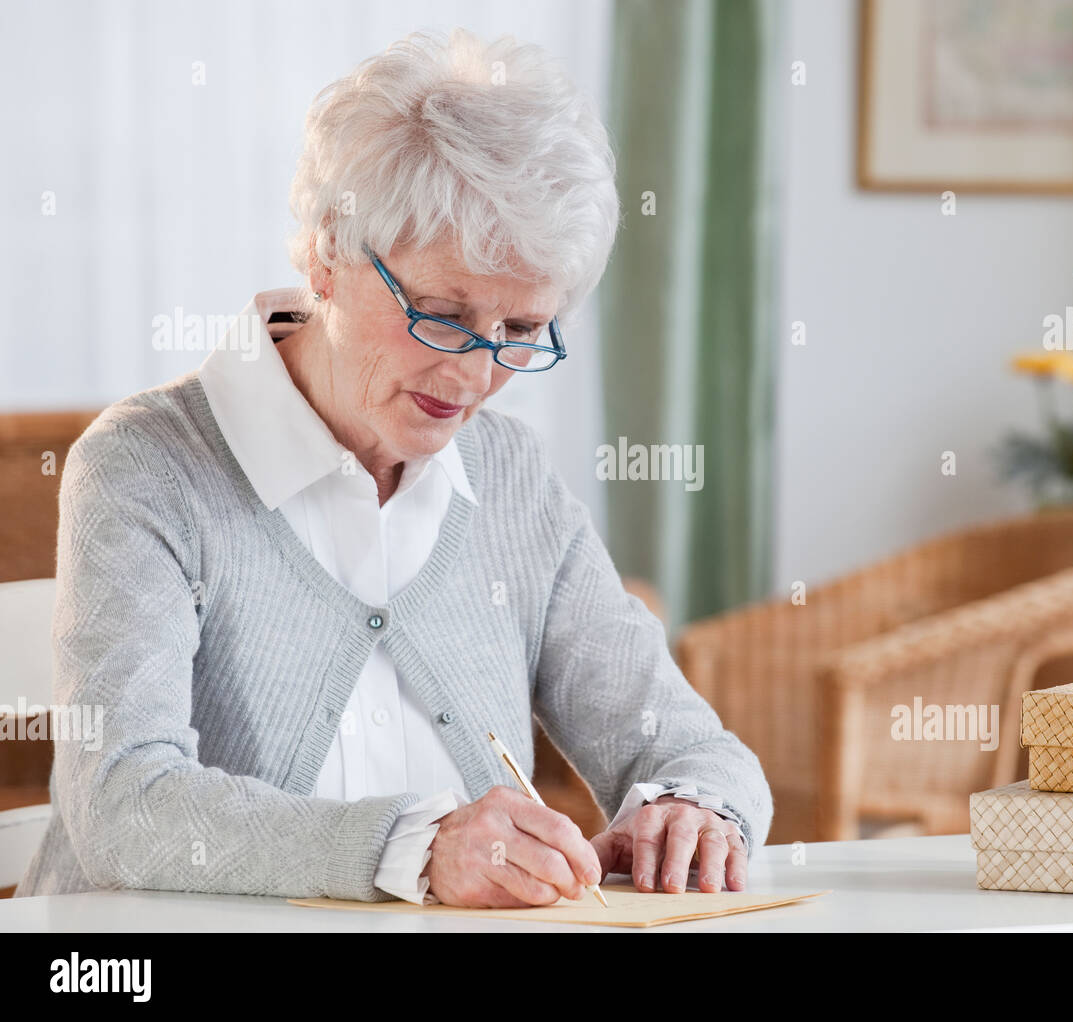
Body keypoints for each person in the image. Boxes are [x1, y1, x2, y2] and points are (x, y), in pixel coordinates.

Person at [16, 27, 772, 908]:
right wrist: (416, 848)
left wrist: (694, 809)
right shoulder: (146, 467)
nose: (476, 375)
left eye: (521, 330)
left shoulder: (511, 478)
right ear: (328, 255)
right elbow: (123, 804)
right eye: (443, 313)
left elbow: (691, 747)